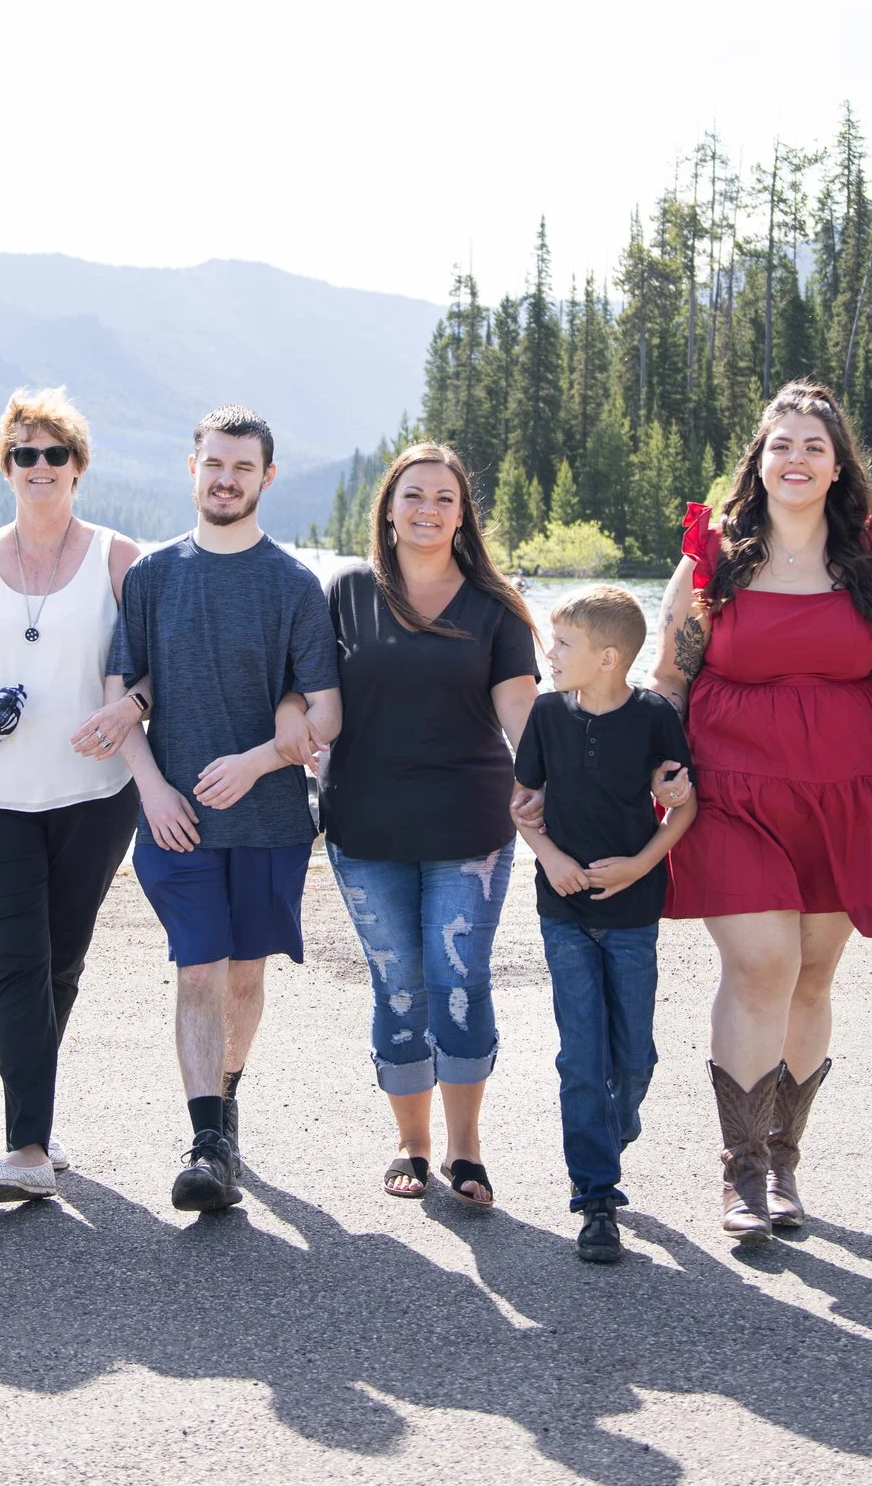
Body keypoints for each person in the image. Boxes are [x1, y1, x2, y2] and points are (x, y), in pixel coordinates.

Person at [647, 382, 872, 1244]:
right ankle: (739, 1172)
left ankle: (781, 1160)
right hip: (733, 791)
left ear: (838, 465)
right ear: (759, 461)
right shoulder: (714, 558)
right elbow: (670, 674)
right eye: (782, 445)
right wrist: (658, 762)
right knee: (762, 963)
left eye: (814, 446)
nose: (797, 459)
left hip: (848, 790)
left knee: (810, 975)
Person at [0, 389, 143, 1205]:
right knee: (16, 961)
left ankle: (34, 1117)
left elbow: (155, 666)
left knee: (61, 962)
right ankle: (27, 1147)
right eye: (23, 454)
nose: (38, 466)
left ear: (78, 466)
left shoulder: (118, 558)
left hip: (94, 796)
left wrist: (129, 708)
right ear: (5, 468)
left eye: (53, 453)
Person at [107, 405, 340, 1215]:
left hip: (271, 820)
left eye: (243, 467)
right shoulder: (151, 577)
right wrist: (150, 787)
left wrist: (258, 761)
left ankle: (226, 1096)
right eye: (214, 463)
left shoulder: (293, 586)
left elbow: (325, 711)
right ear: (193, 468)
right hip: (176, 821)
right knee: (199, 967)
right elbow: (122, 694)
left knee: (244, 973)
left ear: (266, 477)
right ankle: (207, 1141)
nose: (226, 479)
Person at [321, 443, 540, 1209]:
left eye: (445, 498)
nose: (428, 509)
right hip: (363, 827)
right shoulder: (347, 594)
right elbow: (309, 696)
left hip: (470, 829)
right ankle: (411, 1144)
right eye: (413, 495)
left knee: (459, 982)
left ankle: (464, 1148)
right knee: (398, 985)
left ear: (462, 515)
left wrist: (567, 784)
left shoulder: (495, 606)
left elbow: (522, 714)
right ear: (388, 508)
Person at [512, 586, 692, 1262]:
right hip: (563, 911)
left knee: (634, 1056)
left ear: (609, 658)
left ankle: (611, 1128)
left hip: (633, 914)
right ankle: (594, 1197)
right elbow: (523, 805)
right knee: (580, 1056)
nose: (551, 655)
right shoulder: (546, 714)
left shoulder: (653, 716)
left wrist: (640, 866)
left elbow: (683, 805)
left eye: (564, 645)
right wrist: (550, 857)